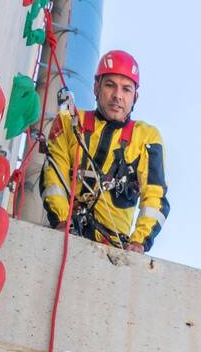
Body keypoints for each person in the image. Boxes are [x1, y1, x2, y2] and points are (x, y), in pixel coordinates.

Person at [40, 50, 169, 254]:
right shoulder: (69, 123)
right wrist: (62, 221)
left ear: (135, 96)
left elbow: (155, 196)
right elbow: (53, 175)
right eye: (110, 85)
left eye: (126, 89)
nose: (117, 95)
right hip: (66, 234)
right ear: (96, 87)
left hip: (114, 249)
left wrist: (139, 242)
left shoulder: (146, 138)